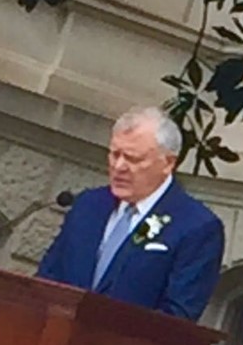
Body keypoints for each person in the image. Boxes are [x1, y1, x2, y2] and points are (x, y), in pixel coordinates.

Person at [35, 106, 224, 321]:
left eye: (133, 159)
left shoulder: (196, 227)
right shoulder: (88, 205)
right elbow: (47, 279)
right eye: (115, 154)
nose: (119, 167)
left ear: (168, 163)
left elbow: (177, 317)